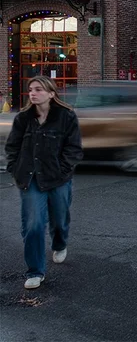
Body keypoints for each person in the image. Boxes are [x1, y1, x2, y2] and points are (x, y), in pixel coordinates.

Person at [4, 75, 83, 290]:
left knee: (59, 218)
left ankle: (59, 243)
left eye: (38, 89)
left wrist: (63, 170)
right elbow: (12, 147)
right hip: (30, 179)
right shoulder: (23, 118)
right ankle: (35, 271)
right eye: (31, 89)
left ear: (51, 93)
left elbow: (74, 149)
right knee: (33, 225)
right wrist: (14, 169)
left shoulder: (66, 117)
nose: (33, 93)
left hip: (58, 179)